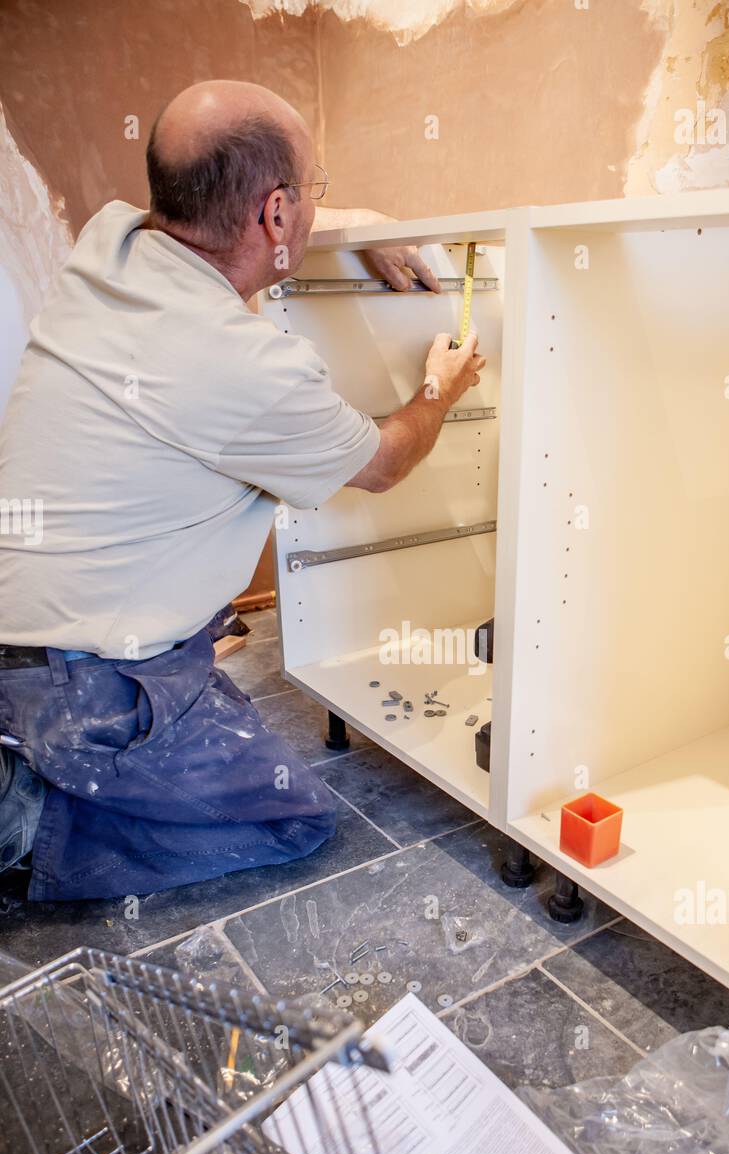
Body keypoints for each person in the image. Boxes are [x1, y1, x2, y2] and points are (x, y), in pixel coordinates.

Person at [0, 80, 485, 903]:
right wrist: (441, 386)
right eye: (309, 193)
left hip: (33, 638)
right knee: (291, 820)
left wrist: (349, 226)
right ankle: (27, 827)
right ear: (273, 215)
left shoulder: (109, 242)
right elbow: (385, 463)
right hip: (77, 684)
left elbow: (242, 228)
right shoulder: (244, 366)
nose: (314, 210)